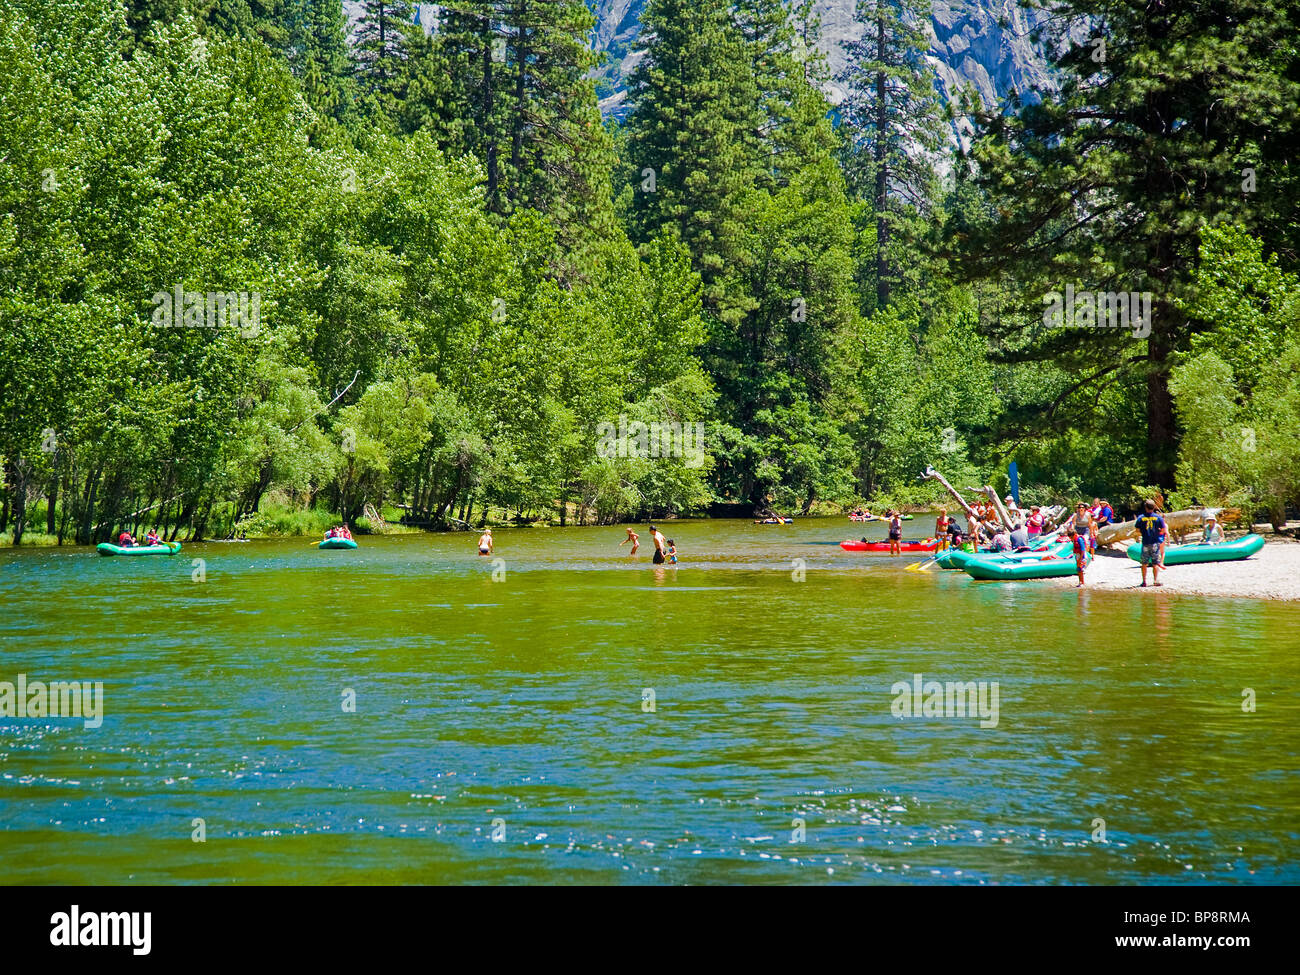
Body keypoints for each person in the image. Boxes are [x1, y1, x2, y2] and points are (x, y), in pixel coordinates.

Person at [1135, 500, 1166, 587]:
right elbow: (1163, 529)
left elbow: (1137, 530)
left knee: (1144, 563)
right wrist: (1158, 533)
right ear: (1154, 507)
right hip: (1155, 543)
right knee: (1155, 563)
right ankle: (1155, 580)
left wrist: (1143, 533)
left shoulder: (1141, 518)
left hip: (1145, 542)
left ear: (1145, 507)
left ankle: (1144, 581)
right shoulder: (1158, 517)